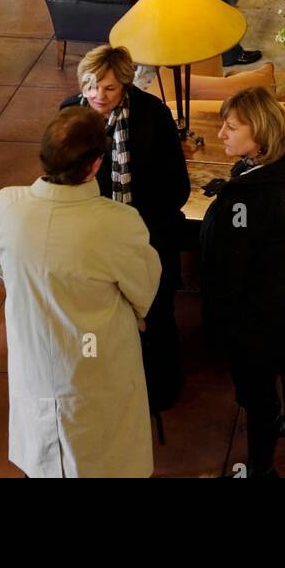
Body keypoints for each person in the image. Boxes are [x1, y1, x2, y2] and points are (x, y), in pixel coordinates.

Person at [0, 107, 161, 478]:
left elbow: (3, 269)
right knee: (106, 454)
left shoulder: (1, 205)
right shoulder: (117, 223)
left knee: (48, 457)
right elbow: (143, 289)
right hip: (95, 364)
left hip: (35, 358)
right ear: (97, 164)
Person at [60, 45, 189, 412]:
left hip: (146, 236)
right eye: (90, 85)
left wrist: (133, 229)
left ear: (126, 87)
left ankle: (162, 389)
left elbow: (177, 188)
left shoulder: (153, 116)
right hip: (93, 240)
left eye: (109, 88)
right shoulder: (69, 113)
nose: (97, 95)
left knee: (156, 314)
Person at [199, 87, 285, 478]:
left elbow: (223, 269)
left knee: (258, 396)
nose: (221, 135)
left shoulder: (240, 201)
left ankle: (261, 470)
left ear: (261, 133)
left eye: (231, 127)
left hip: (252, 315)